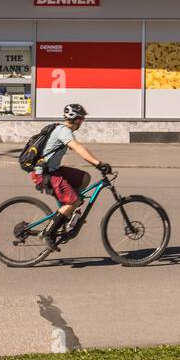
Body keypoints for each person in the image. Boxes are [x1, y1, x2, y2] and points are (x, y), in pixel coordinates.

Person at [38, 103, 110, 250]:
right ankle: (48, 233)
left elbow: (79, 148)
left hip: (54, 170)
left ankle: (68, 210)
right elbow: (78, 149)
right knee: (74, 201)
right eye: (81, 119)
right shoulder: (63, 131)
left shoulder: (64, 131)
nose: (82, 122)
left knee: (84, 177)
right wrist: (98, 163)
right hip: (45, 173)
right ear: (75, 119)